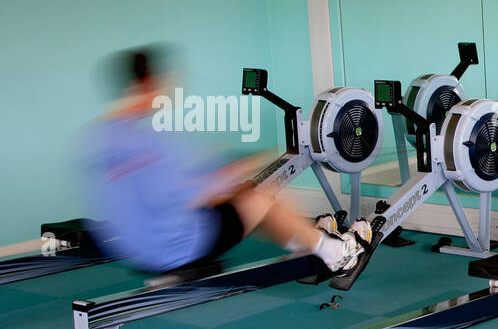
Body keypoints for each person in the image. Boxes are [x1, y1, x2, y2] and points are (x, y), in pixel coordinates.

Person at [84, 47, 369, 280]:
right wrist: (233, 175)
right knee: (263, 199)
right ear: (146, 84)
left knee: (236, 200)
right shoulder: (151, 140)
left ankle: (303, 239)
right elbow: (188, 195)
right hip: (179, 248)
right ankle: (333, 252)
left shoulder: (97, 137)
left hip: (138, 248)